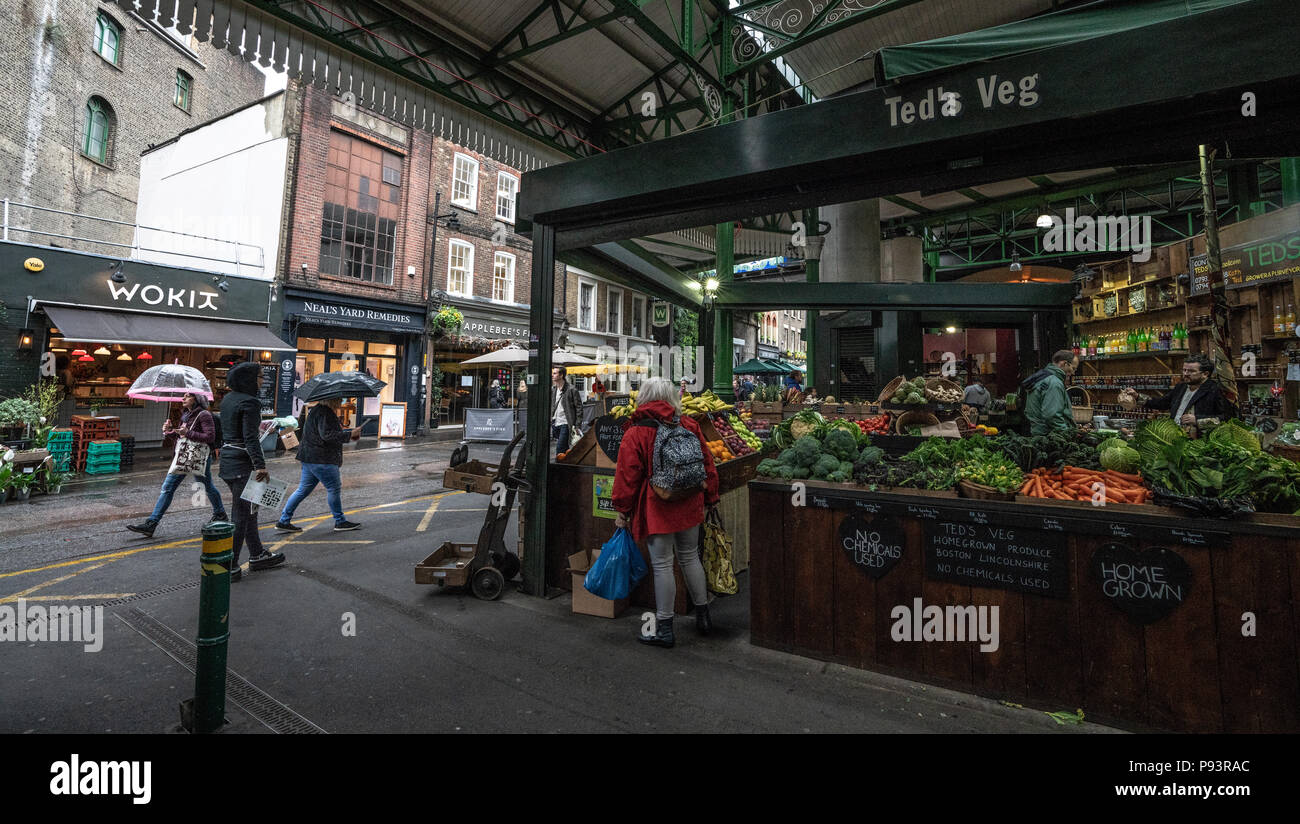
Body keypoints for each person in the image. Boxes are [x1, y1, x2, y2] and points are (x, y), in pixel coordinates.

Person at [611, 376, 719, 648]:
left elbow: (627, 476)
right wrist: (711, 497)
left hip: (657, 505)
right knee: (690, 557)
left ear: (644, 397)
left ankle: (665, 629)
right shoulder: (689, 424)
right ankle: (703, 616)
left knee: (662, 564)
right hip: (690, 501)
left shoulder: (636, 431)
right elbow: (708, 464)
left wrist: (622, 510)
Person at [218, 362, 286, 580]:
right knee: (240, 514)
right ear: (248, 379)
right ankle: (231, 565)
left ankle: (257, 554)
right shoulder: (250, 402)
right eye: (259, 377)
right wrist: (260, 465)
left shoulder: (228, 399)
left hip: (228, 462)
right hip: (242, 464)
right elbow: (250, 438)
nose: (262, 381)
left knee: (249, 511)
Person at [127, 392, 227, 537]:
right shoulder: (186, 414)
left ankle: (220, 514)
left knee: (205, 486)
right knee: (169, 488)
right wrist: (169, 431)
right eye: (183, 396)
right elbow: (182, 436)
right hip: (184, 458)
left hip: (198, 457)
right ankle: (152, 523)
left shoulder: (204, 415)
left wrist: (188, 432)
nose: (183, 398)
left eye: (187, 396)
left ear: (196, 399)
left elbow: (209, 437)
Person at [275, 398, 363, 532]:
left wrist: (349, 434)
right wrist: (350, 434)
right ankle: (340, 521)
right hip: (322, 459)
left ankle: (283, 520)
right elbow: (326, 435)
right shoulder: (325, 413)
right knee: (333, 488)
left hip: (309, 457)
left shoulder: (315, 410)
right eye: (339, 399)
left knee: (302, 490)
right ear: (332, 400)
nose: (341, 401)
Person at [1118, 353, 1236, 434]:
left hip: (1201, 442)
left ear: (1205, 374)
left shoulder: (1215, 391)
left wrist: (1198, 420)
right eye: (1184, 370)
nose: (1185, 374)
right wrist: (1137, 396)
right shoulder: (1181, 387)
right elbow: (1162, 403)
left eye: (1191, 371)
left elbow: (1227, 419)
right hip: (1176, 436)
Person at [1023, 350, 1080, 435]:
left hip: (1039, 433)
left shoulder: (1042, 378)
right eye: (1073, 368)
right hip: (1051, 436)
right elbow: (1052, 415)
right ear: (1064, 364)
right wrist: (1067, 433)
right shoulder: (1054, 383)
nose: (1073, 373)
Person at [551, 366, 581, 453]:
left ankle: (558, 465)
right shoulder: (553, 389)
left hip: (566, 423)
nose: (552, 375)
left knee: (559, 448)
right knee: (564, 448)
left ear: (561, 375)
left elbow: (579, 408)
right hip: (555, 422)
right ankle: (568, 463)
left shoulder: (571, 389)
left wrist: (577, 425)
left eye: (555, 373)